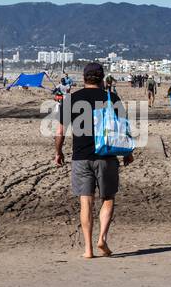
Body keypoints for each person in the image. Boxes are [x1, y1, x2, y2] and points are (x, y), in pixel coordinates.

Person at [52, 62, 133, 259]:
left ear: (84, 78)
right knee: (108, 198)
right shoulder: (112, 98)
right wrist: (128, 152)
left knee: (85, 201)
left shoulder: (72, 99)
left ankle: (88, 249)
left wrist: (58, 152)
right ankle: (102, 238)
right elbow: (123, 128)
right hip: (107, 156)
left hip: (81, 157)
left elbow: (60, 131)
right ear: (103, 78)